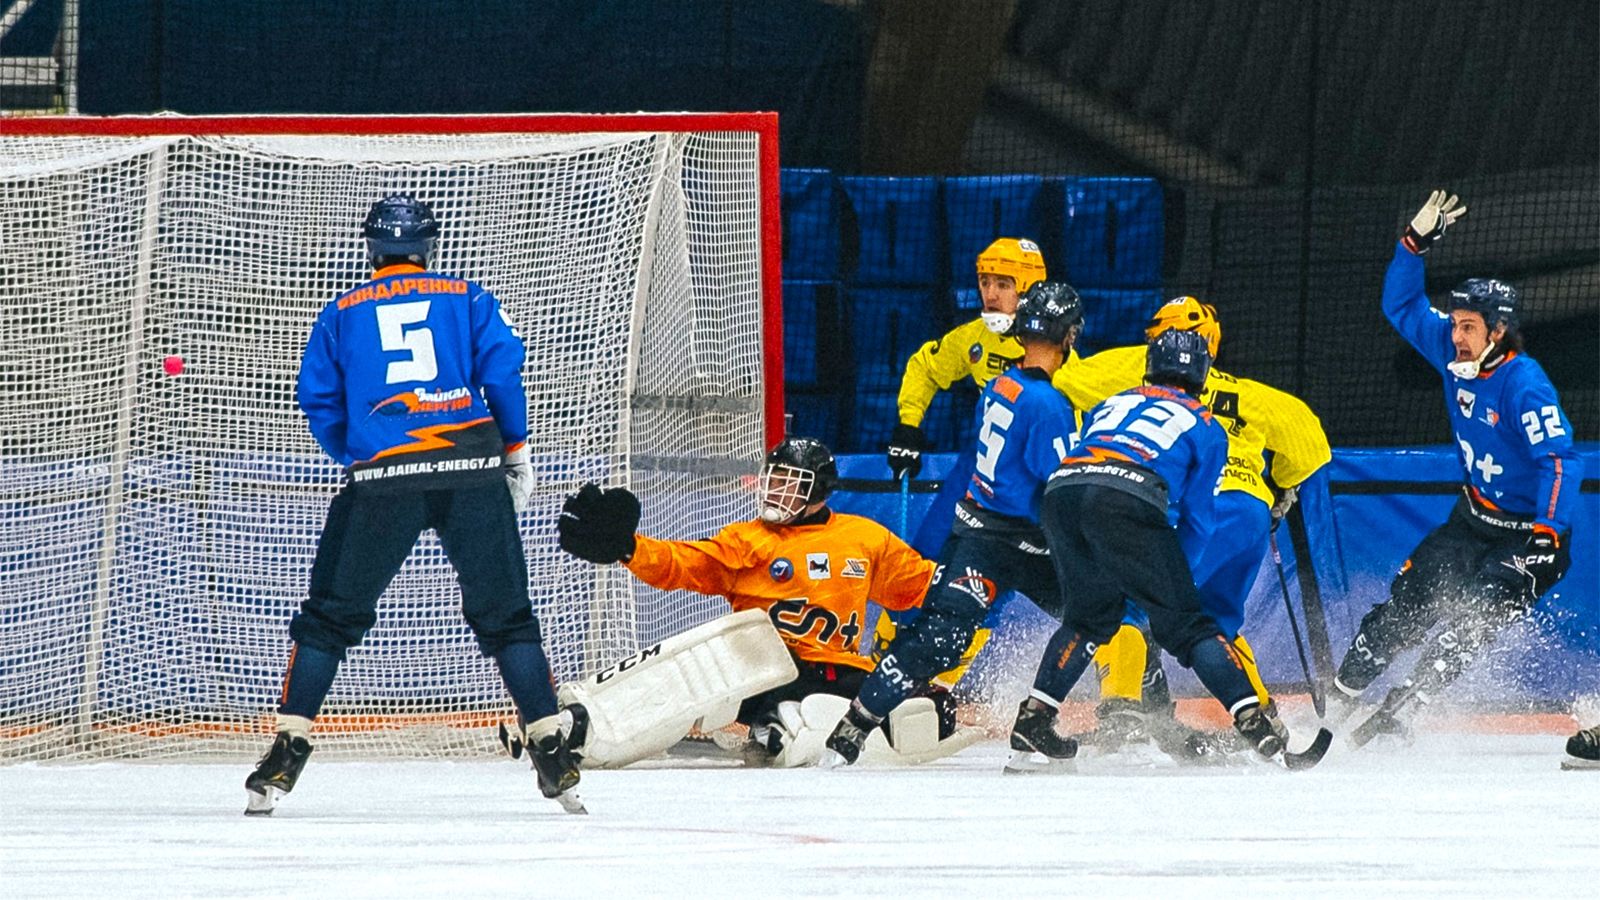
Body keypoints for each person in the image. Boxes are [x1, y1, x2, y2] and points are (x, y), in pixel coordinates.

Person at [245, 194, 580, 815]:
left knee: (329, 619)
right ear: (430, 246)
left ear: (370, 248)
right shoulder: (470, 297)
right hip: (473, 471)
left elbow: (317, 397)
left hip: (383, 478)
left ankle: (287, 751)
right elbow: (504, 375)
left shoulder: (340, 312)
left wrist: (361, 451)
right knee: (508, 617)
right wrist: (515, 450)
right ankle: (552, 750)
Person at [1332, 190, 1579, 744]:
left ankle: (1404, 713)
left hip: (1527, 540)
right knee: (1402, 614)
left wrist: (1548, 532)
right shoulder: (1454, 355)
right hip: (1472, 522)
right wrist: (1412, 246)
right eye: (1457, 324)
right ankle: (1336, 701)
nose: (1456, 336)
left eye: (1469, 327)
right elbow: (1402, 309)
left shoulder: (1525, 386)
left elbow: (1560, 462)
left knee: (1470, 627)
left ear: (1497, 331)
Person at [1052, 296, 1332, 754]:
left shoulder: (1136, 368)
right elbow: (1311, 441)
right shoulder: (1256, 396)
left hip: (1190, 506)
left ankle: (1121, 711)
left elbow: (1065, 380)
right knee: (1214, 623)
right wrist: (1279, 485)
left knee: (1125, 604)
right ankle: (1262, 717)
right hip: (1248, 517)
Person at [825, 282, 1084, 765]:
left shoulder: (999, 384)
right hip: (1024, 544)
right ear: (1069, 337)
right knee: (1101, 616)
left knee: (940, 636)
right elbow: (1058, 489)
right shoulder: (1050, 405)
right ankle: (1042, 723)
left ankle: (851, 731)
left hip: (977, 536)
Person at [557, 437, 939, 764]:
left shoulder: (865, 538)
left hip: (840, 671)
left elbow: (920, 587)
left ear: (818, 490)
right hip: (764, 674)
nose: (775, 490)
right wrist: (630, 548)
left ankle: (781, 727)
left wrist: (967, 582)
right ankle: (584, 722)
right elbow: (684, 563)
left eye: (789, 482)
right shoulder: (747, 539)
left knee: (932, 710)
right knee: (714, 675)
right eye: (772, 480)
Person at [875, 237, 1055, 691]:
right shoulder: (974, 338)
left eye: (1003, 283)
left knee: (986, 584)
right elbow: (925, 367)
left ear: (1030, 288)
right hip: (977, 468)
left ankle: (940, 684)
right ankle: (882, 663)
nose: (990, 294)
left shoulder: (1056, 349)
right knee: (921, 561)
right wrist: (909, 425)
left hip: (1031, 480)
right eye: (984, 282)